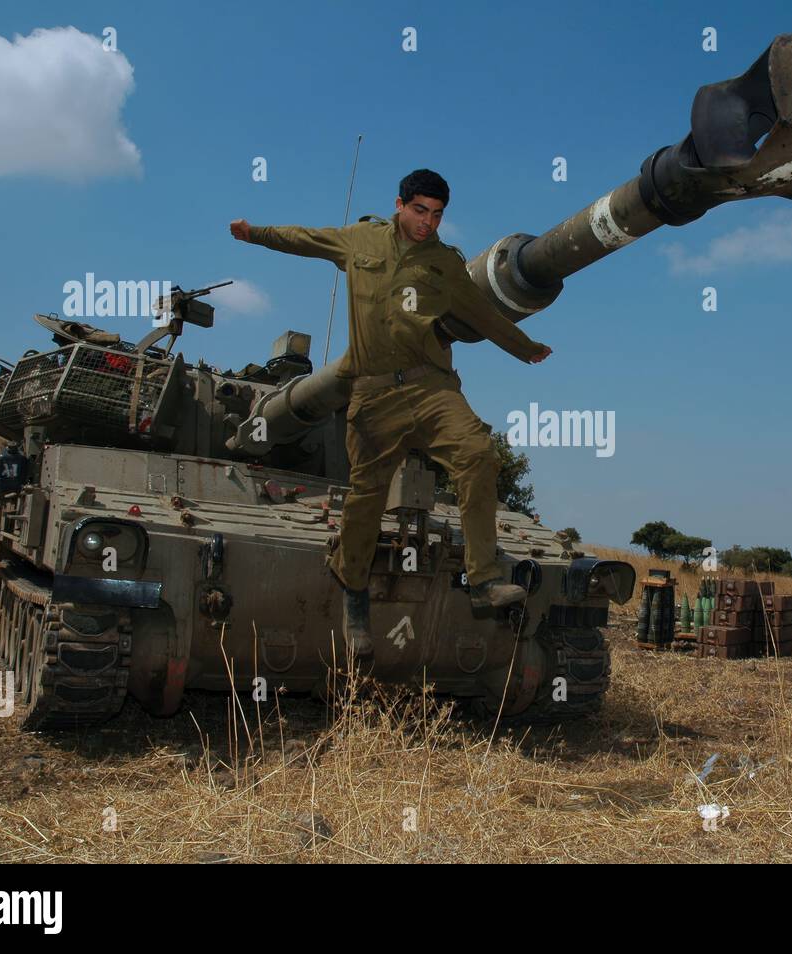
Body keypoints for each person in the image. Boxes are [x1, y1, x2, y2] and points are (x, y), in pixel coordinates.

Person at [230, 169, 551, 657]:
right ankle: (353, 591)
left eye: (438, 215)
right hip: (373, 395)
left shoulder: (445, 264)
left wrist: (524, 348)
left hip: (430, 388)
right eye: (420, 210)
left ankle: (484, 578)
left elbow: (483, 314)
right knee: (366, 498)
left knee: (479, 455)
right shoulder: (361, 239)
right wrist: (255, 234)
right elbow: (305, 239)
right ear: (400, 204)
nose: (428, 222)